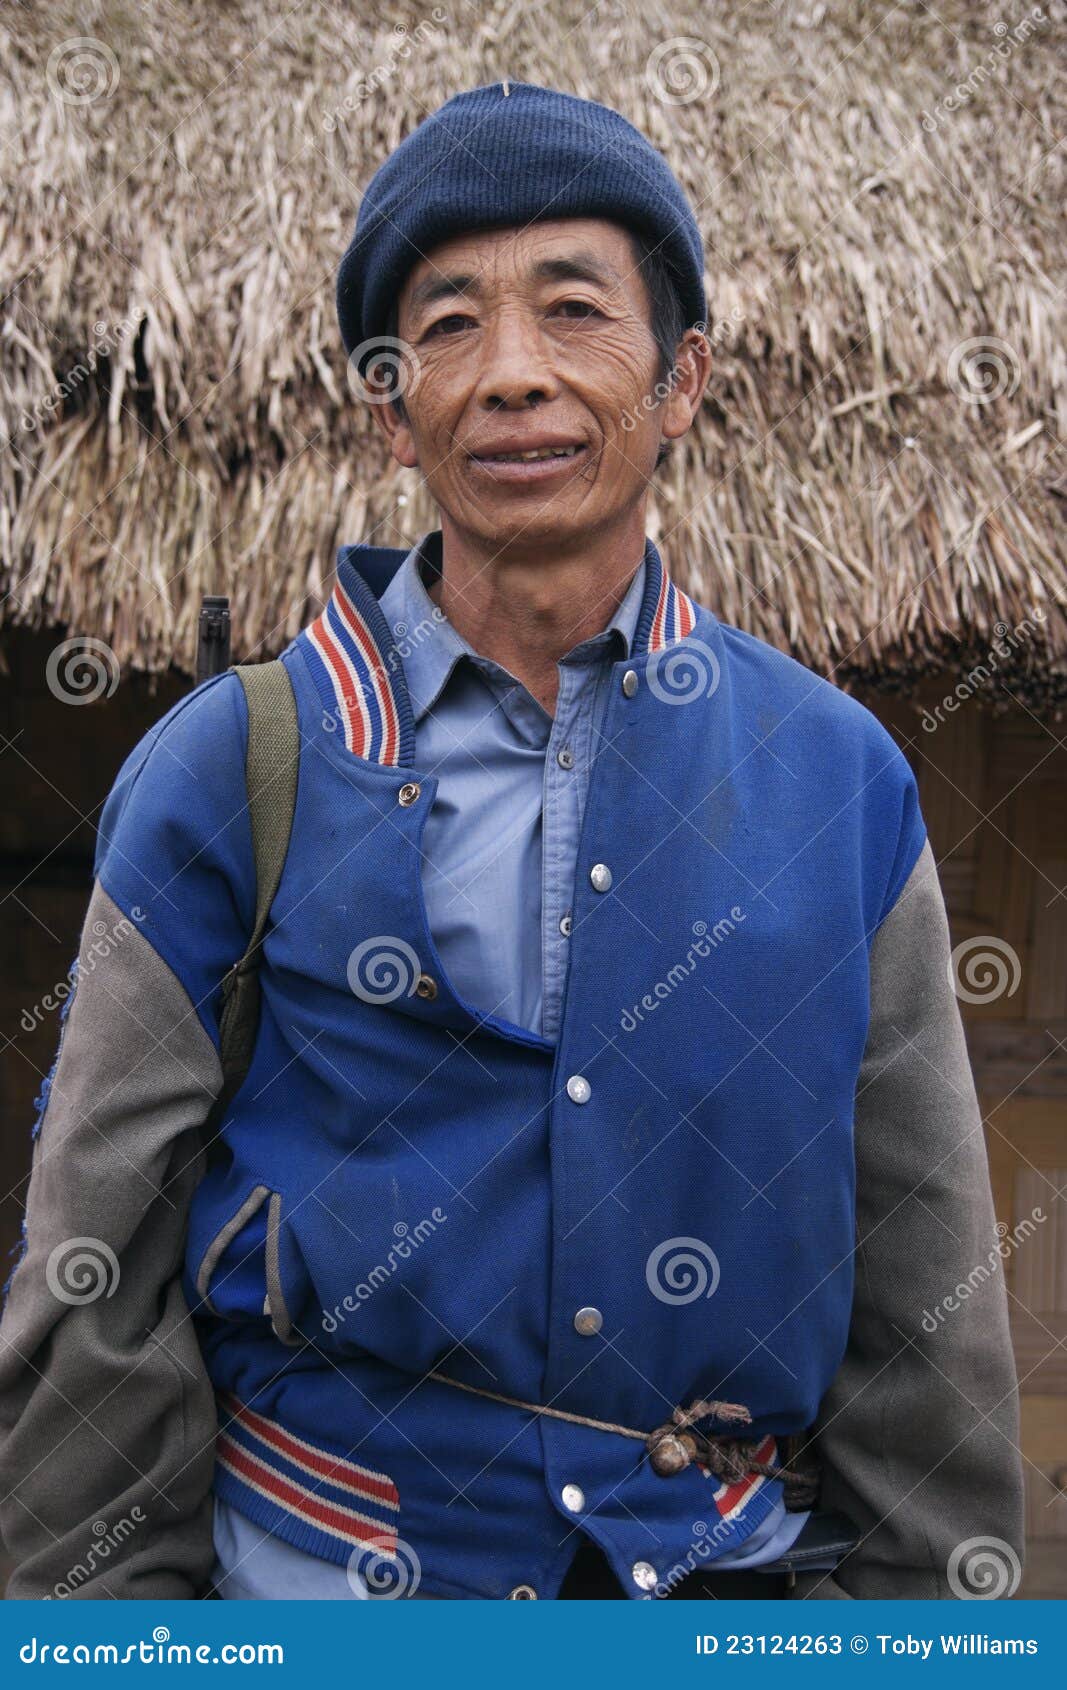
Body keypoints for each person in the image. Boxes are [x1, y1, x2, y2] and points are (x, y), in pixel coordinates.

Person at [0, 81, 1023, 1602]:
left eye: (572, 311)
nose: (515, 376)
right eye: (454, 325)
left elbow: (925, 1287)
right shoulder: (230, 766)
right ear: (387, 401)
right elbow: (95, 1271)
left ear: (681, 381)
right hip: (319, 1596)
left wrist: (937, 1622)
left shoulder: (837, 780)